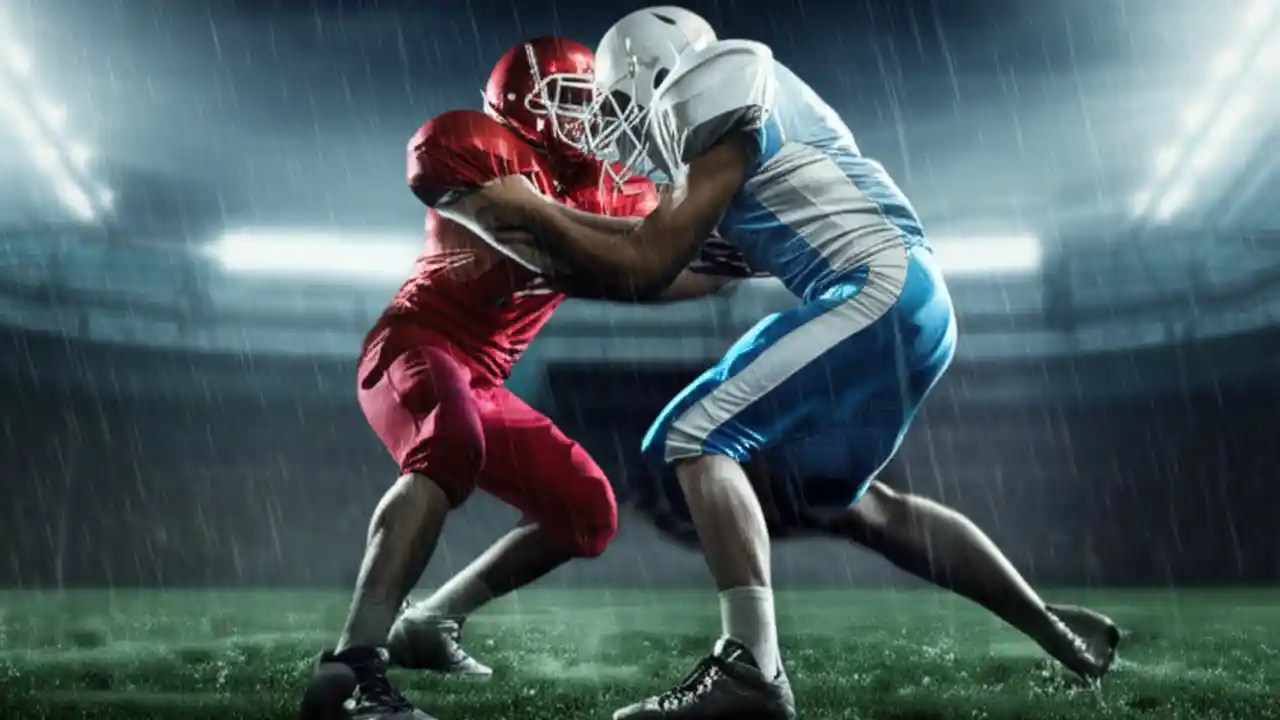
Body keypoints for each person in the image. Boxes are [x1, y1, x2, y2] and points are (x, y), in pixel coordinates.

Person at [465, 8, 1120, 719]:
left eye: (621, 101)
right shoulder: (724, 154)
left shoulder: (712, 86)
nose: (614, 125)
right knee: (863, 508)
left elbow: (646, 260)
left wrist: (532, 213)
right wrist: (528, 239)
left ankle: (753, 671)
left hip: (876, 288)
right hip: (913, 305)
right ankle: (1059, 632)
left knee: (696, 435)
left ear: (662, 70)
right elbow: (646, 259)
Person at [299, 35, 755, 720]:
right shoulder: (469, 143)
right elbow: (537, 241)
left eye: (594, 104)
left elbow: (655, 276)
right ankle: (348, 671)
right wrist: (641, 247)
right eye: (569, 101)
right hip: (415, 344)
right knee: (450, 444)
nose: (587, 119)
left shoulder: (608, 184)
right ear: (519, 101)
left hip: (485, 379)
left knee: (586, 512)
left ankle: (430, 622)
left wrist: (741, 262)